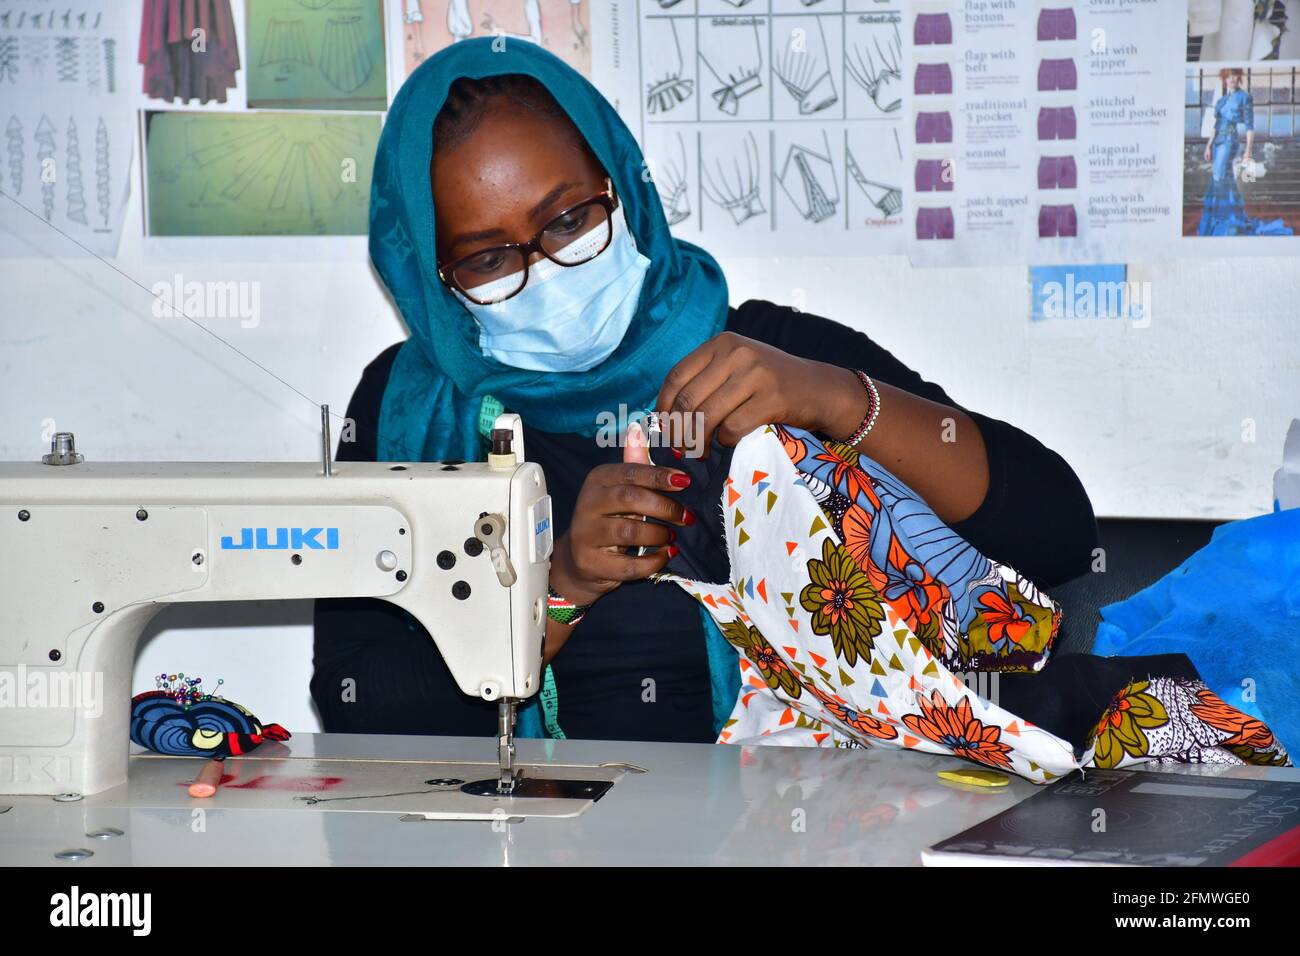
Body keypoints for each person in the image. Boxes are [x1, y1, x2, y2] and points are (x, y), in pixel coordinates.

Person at [312, 38, 1098, 744]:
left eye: (568, 219)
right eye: (487, 260)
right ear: (435, 281)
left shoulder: (768, 358)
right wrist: (559, 589)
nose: (544, 271)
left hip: (809, 827)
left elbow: (1057, 535)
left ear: (620, 186)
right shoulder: (403, 410)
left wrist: (835, 400)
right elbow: (356, 704)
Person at [1198, 67, 1293, 236]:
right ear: (1225, 79)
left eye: (1235, 75)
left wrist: (1248, 150)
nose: (1232, 79)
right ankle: (1228, 217)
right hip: (1217, 141)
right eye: (1229, 76)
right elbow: (1215, 126)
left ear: (1239, 77)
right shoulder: (1221, 101)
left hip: (1229, 140)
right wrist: (1208, 146)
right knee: (1221, 177)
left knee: (1219, 176)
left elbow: (1250, 126)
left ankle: (1224, 217)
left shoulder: (1244, 97)